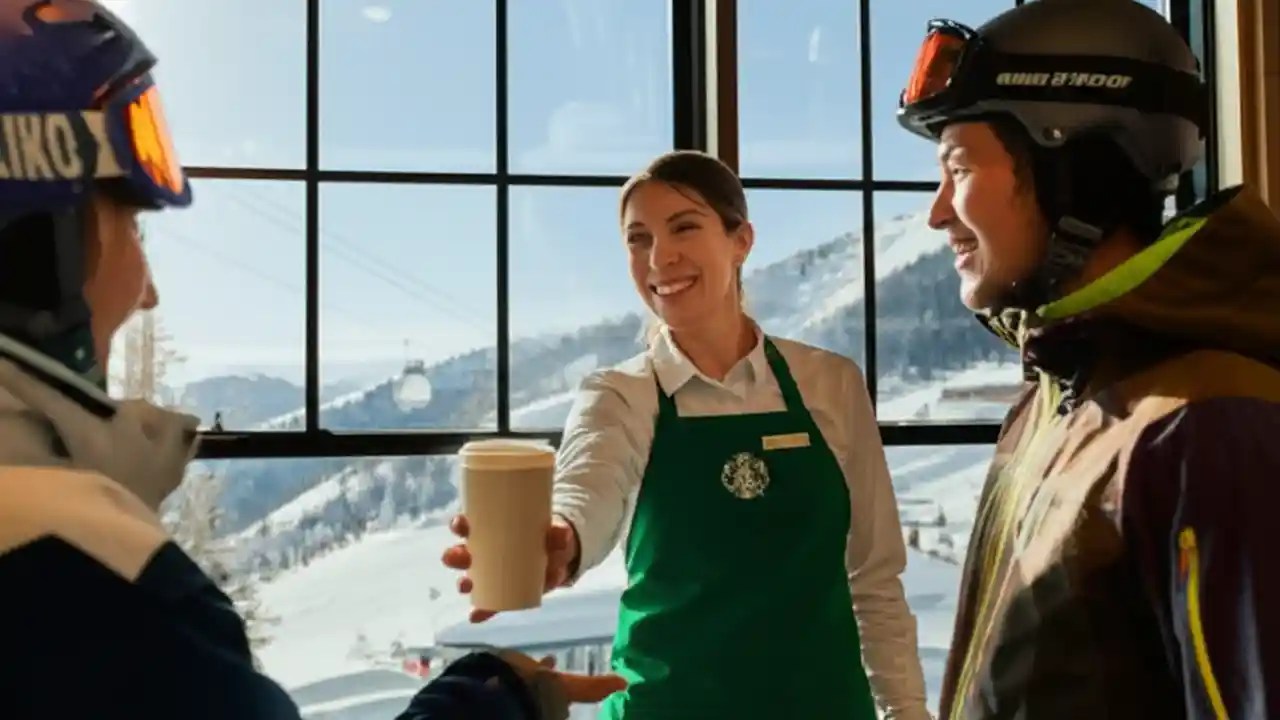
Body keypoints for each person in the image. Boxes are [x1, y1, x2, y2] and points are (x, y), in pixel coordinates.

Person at [0, 2, 617, 718]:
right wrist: (499, 699)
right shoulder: (91, 585)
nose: (148, 290)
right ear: (41, 246)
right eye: (132, 226)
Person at [444, 149, 932, 719]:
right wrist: (561, 541)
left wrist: (906, 712)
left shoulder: (830, 384)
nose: (660, 257)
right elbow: (588, 486)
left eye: (684, 227)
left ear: (741, 240)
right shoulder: (619, 394)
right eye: (638, 239)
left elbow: (874, 576)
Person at [895, 1, 1280, 718]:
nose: (938, 212)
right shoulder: (1053, 397)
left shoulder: (1210, 428)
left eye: (959, 167)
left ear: (1070, 164)